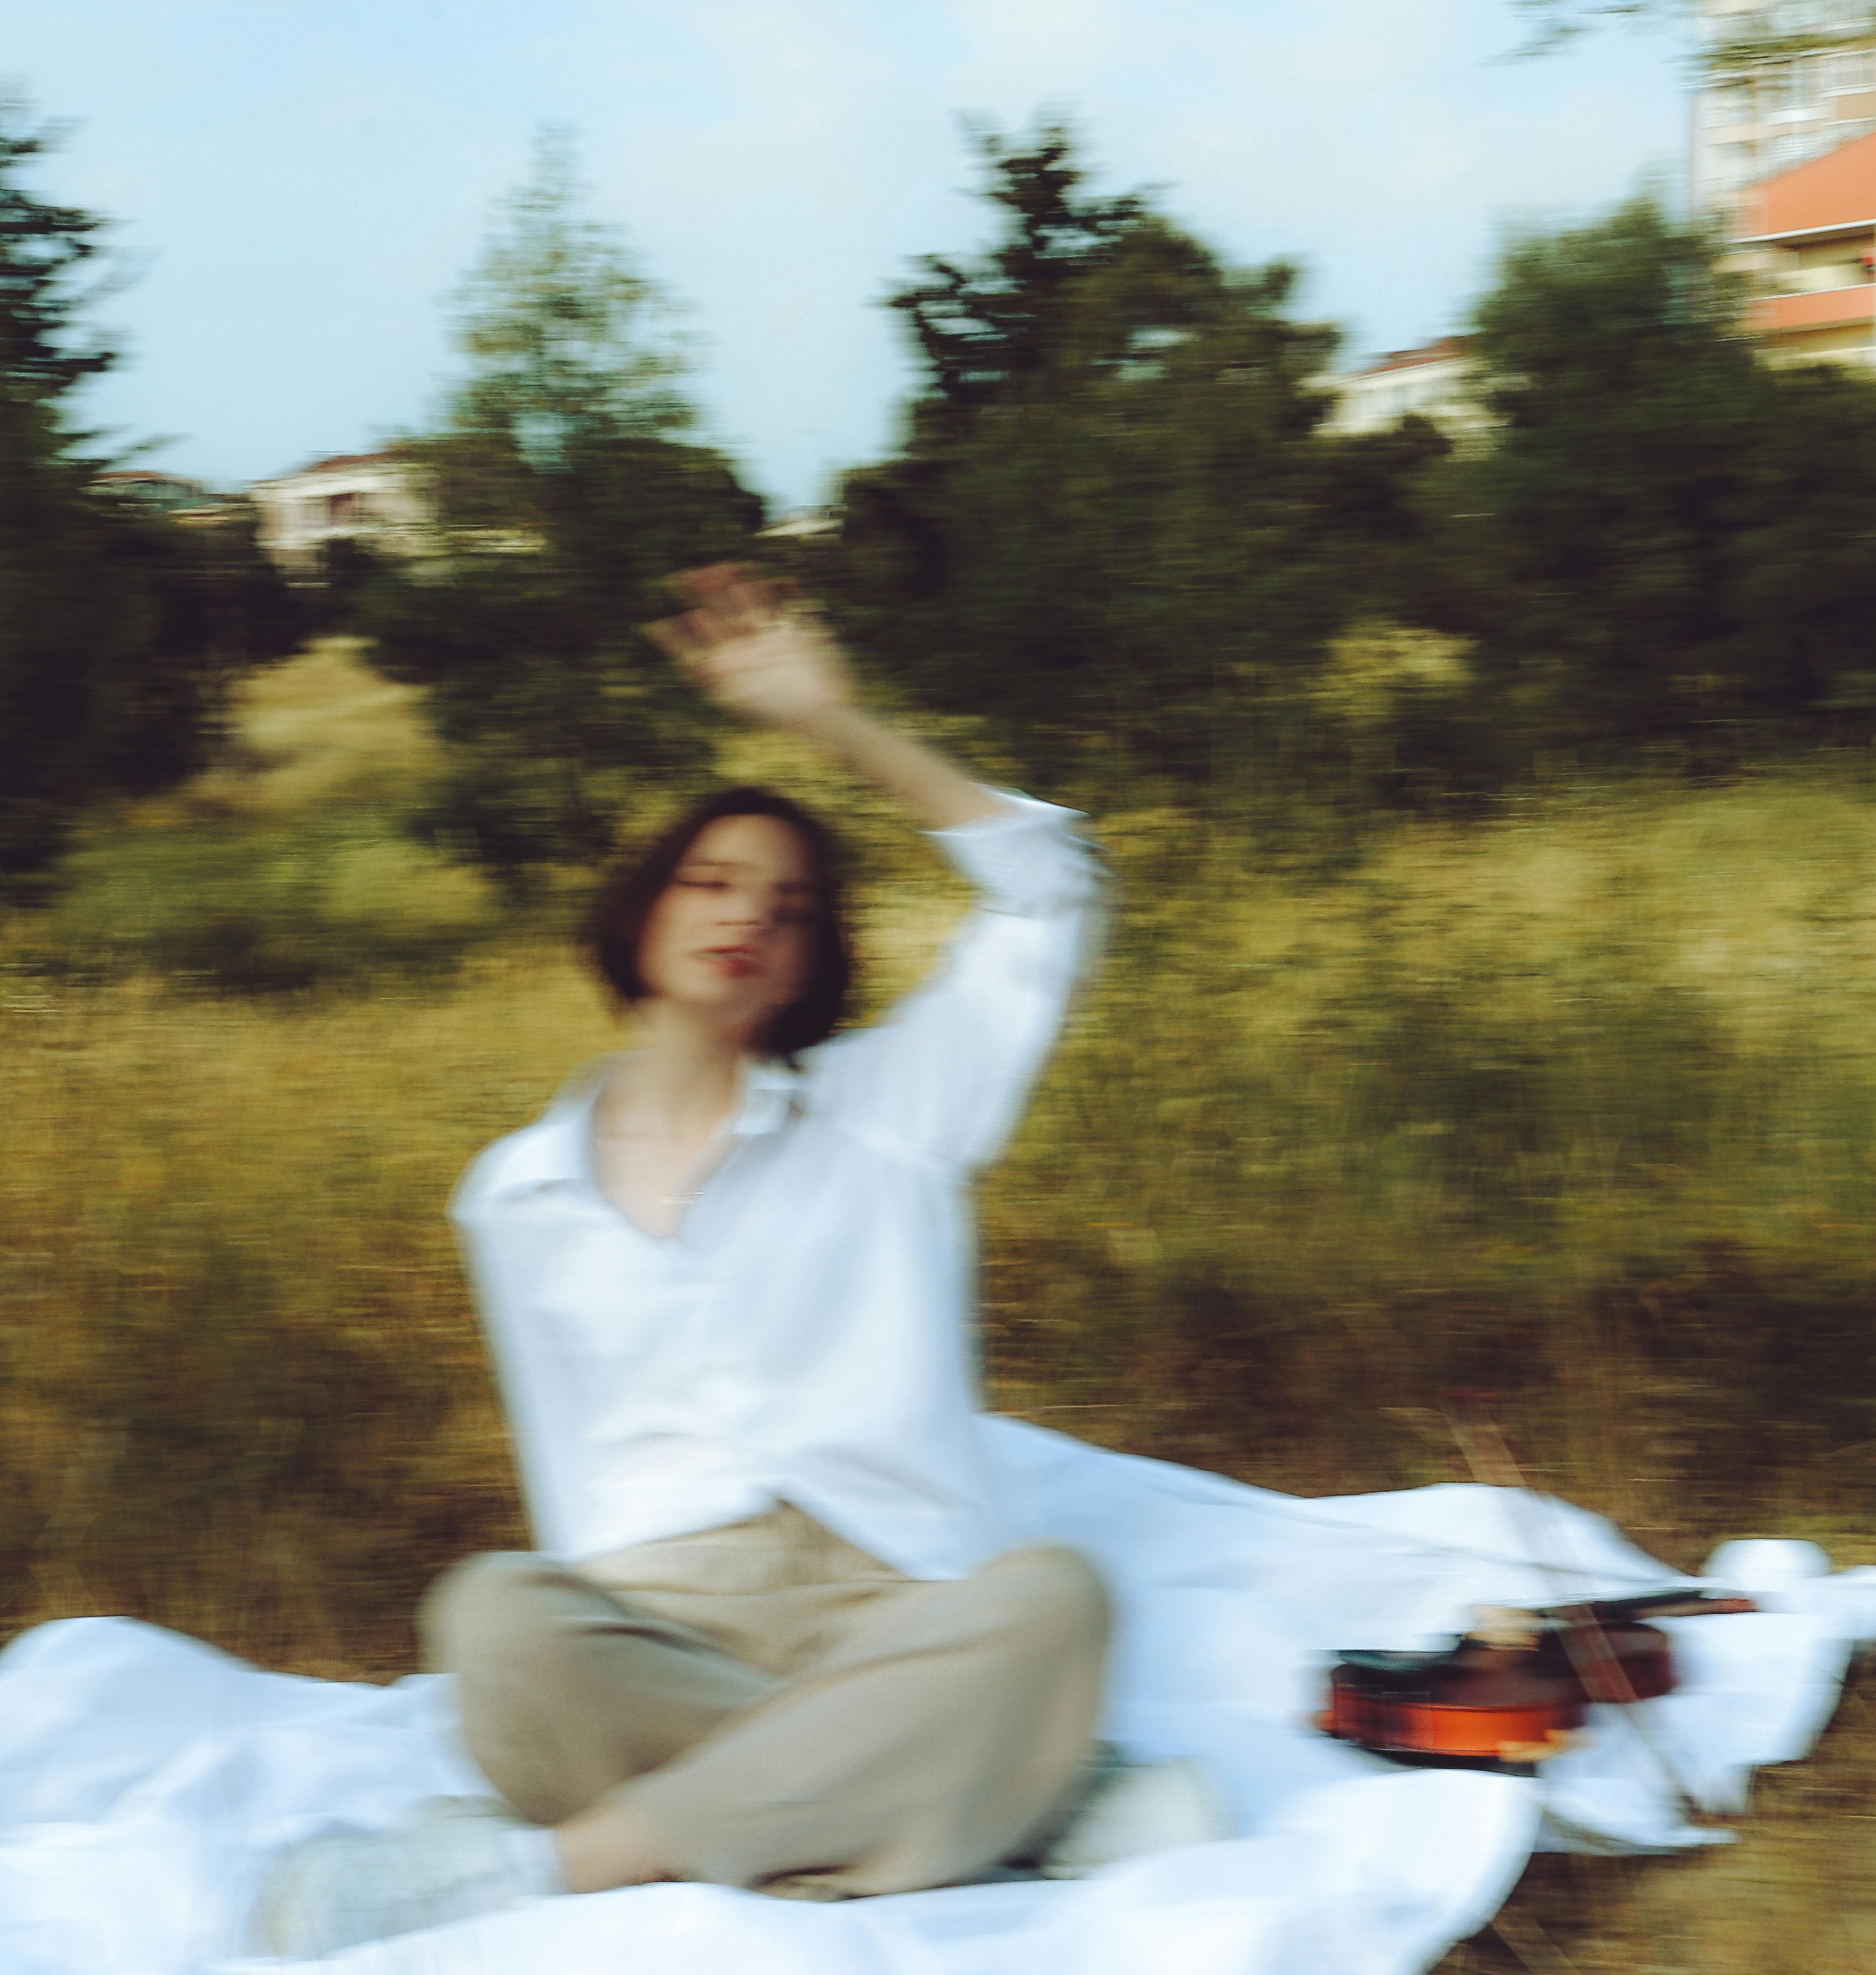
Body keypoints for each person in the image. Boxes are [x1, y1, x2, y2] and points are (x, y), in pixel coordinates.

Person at [254, 567, 1222, 1958]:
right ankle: (1020, 1801)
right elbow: (571, 1465)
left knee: (1056, 1598)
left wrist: (839, 723)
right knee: (488, 1616)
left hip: (892, 1604)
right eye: (711, 883)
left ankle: (564, 1871)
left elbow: (1052, 896)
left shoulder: (891, 1111)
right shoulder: (513, 1196)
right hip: (656, 1629)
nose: (748, 917)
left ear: (814, 962)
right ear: (642, 919)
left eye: (791, 905)